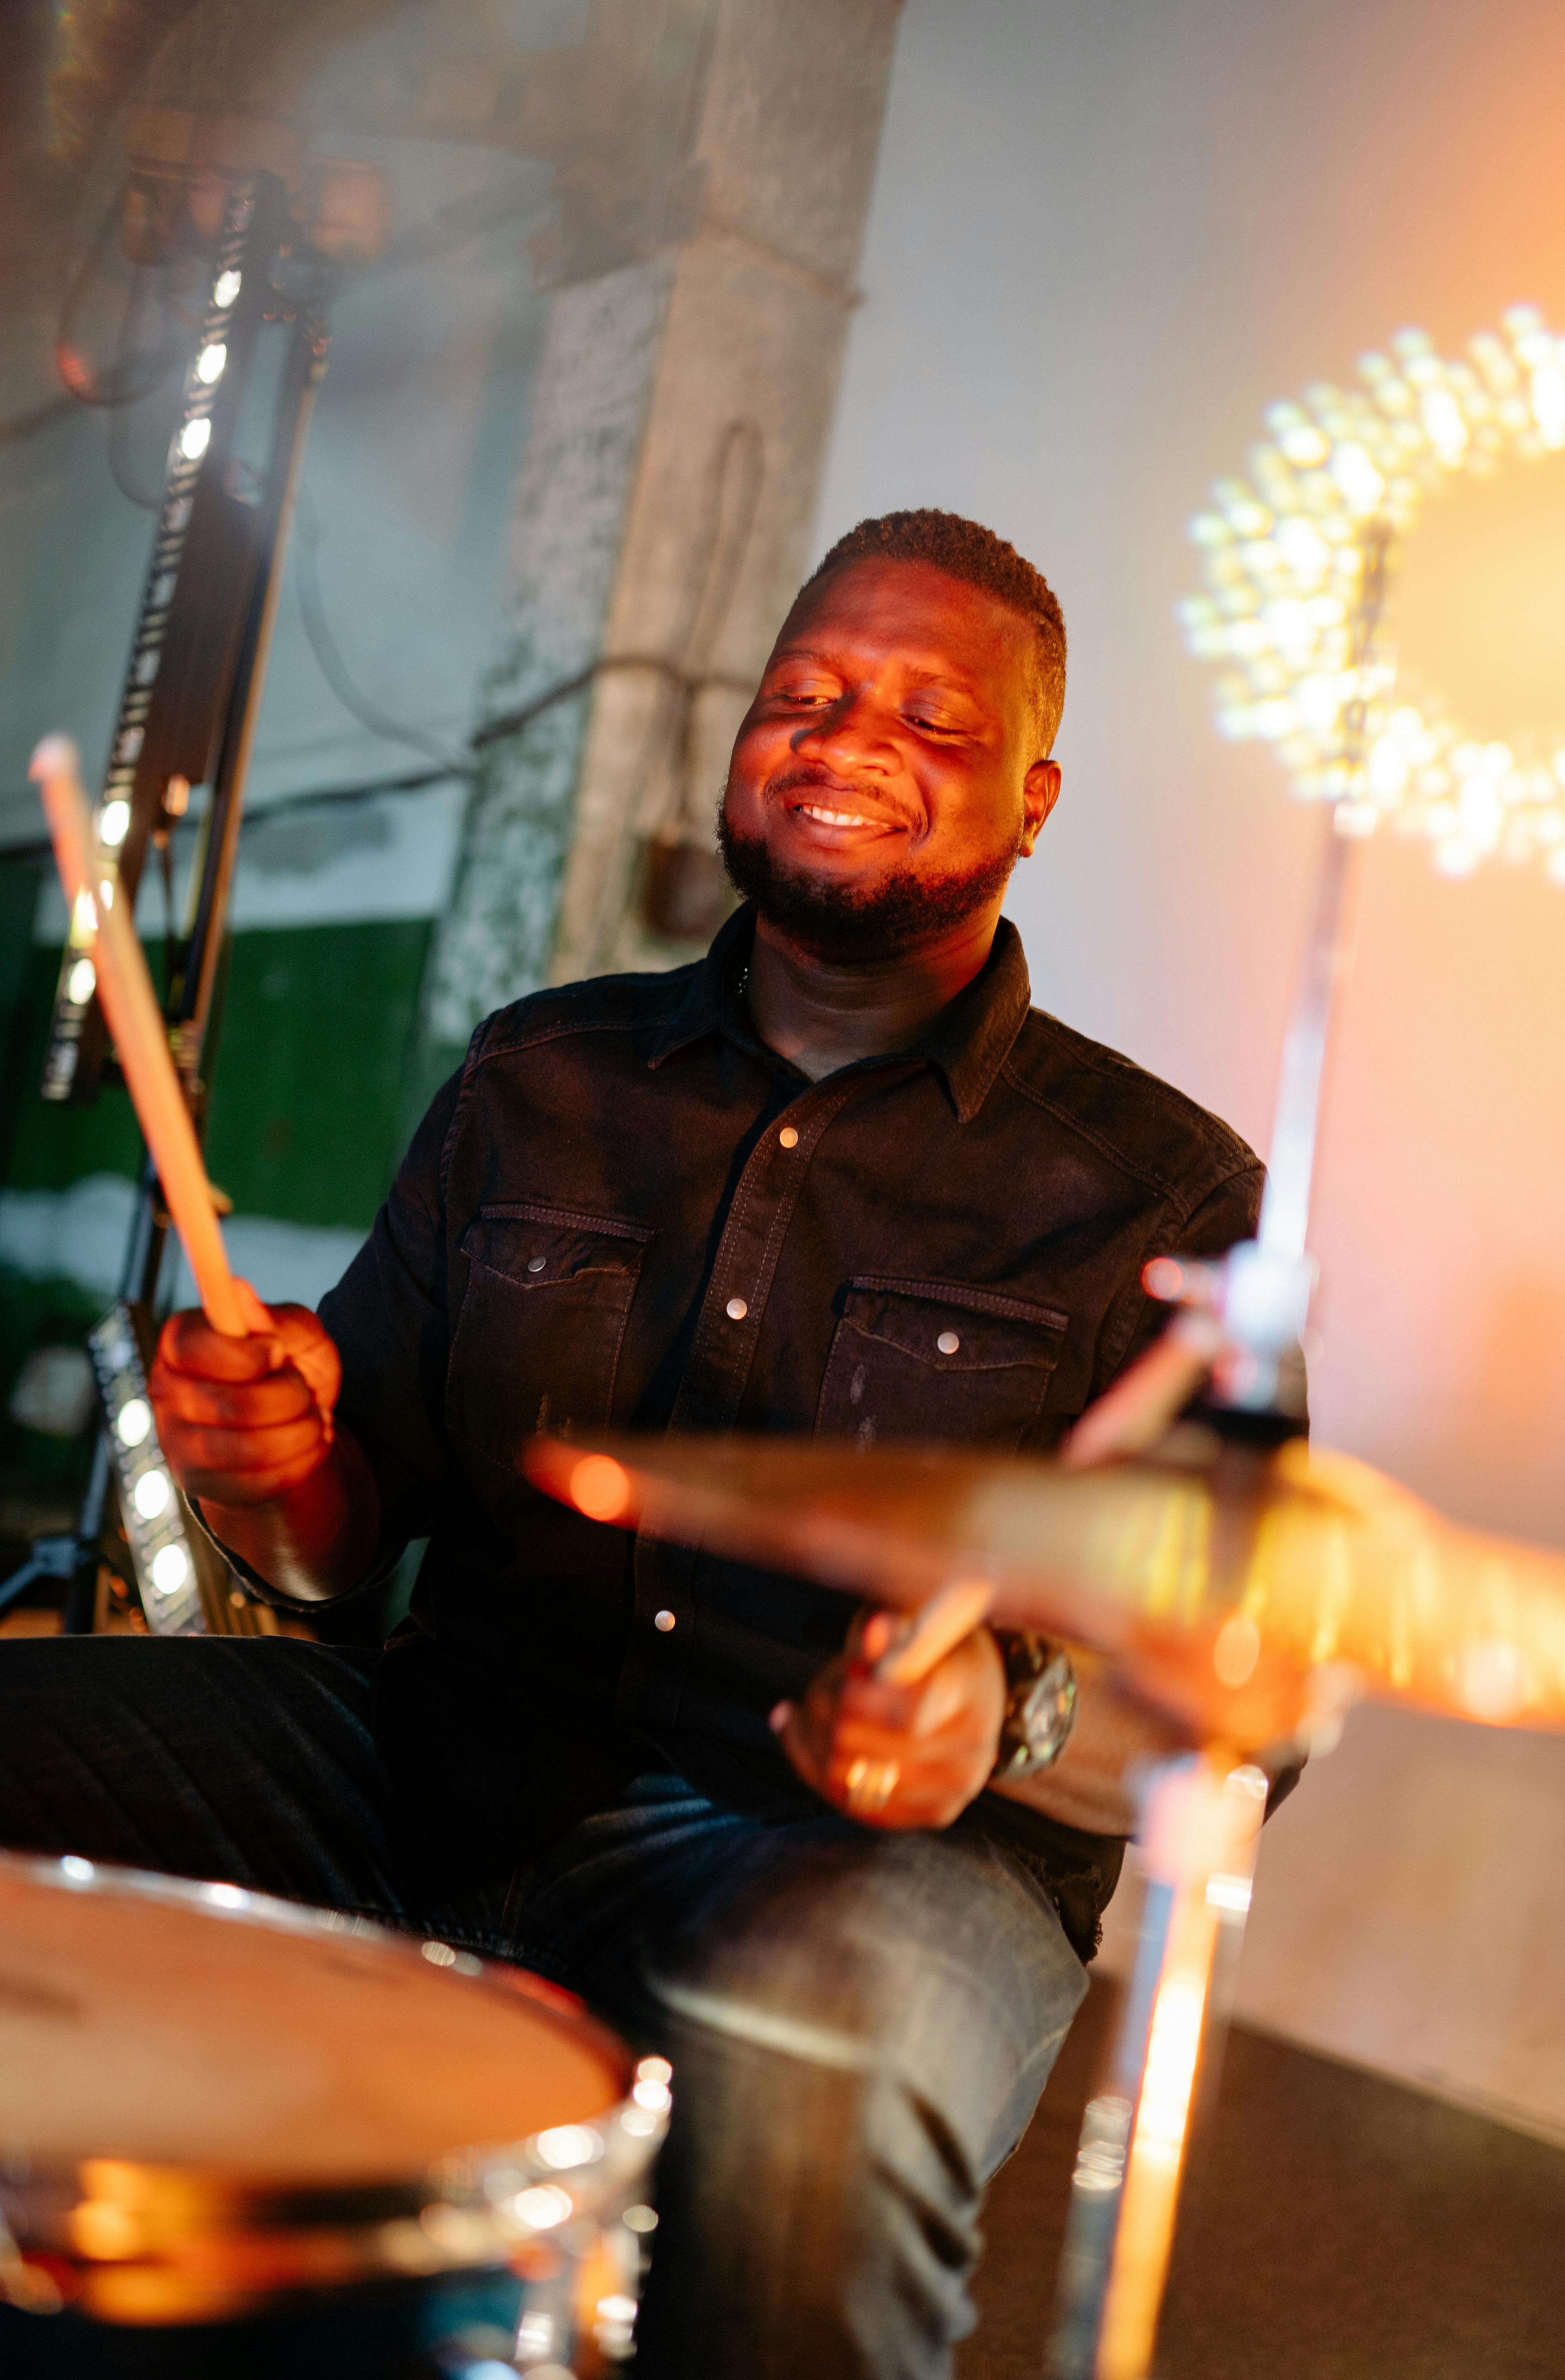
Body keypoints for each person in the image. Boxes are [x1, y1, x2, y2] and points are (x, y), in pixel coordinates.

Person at [0, 511, 1269, 2377]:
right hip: (439, 1752)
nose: (843, 741)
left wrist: (1001, 1711)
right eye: (806, 695)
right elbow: (352, 1545)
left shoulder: (1157, 1197)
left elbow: (1226, 1697)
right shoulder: (540, 1076)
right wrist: (275, 1470)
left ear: (1032, 798)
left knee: (814, 2045)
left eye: (928, 719)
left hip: (853, 1861)